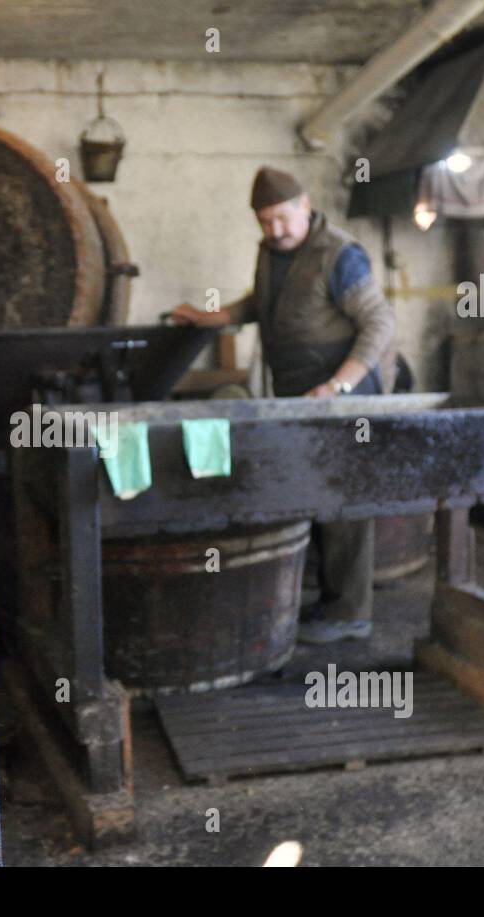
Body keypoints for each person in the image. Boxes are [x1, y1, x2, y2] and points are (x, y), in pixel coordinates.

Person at [169, 167, 396, 644]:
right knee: (311, 490)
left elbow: (379, 322)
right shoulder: (273, 253)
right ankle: (324, 596)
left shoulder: (340, 255)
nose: (274, 231)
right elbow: (261, 304)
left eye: (281, 220)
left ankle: (351, 612)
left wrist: (338, 386)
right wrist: (211, 317)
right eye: (264, 222)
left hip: (343, 397)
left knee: (345, 500)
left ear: (306, 206)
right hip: (298, 394)